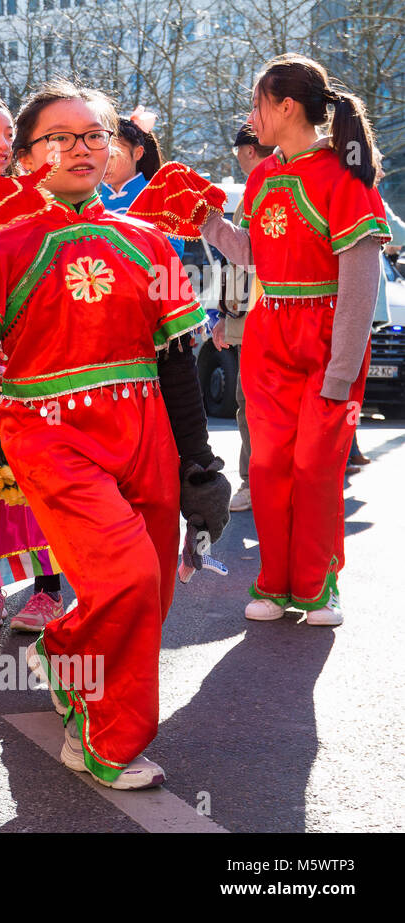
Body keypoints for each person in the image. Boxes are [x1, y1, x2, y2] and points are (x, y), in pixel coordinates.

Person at [0, 78, 229, 788]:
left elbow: (176, 359)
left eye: (95, 133)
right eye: (58, 137)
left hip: (145, 426)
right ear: (28, 154)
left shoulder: (148, 240)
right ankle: (107, 739)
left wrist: (200, 466)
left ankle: (67, 653)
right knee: (125, 575)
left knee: (150, 591)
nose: (81, 148)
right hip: (49, 433)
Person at [201, 54, 390, 627]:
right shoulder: (261, 177)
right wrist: (205, 221)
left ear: (286, 106)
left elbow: (361, 281)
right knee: (270, 466)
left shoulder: (343, 175)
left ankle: (318, 586)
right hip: (269, 333)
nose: (250, 115)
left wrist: (340, 373)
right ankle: (275, 585)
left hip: (329, 337)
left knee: (316, 467)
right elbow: (257, 256)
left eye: (257, 103)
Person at [0, 96, 64, 631]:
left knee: (31, 473)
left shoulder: (40, 200)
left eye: (7, 134)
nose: (0, 144)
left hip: (29, 361)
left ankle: (49, 588)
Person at [211, 123, 275, 512]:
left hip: (270, 320)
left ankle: (257, 482)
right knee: (247, 402)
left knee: (254, 403)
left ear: (249, 149)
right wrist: (225, 318)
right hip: (252, 320)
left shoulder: (266, 188)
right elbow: (238, 272)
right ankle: (257, 481)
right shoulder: (258, 189)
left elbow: (246, 262)